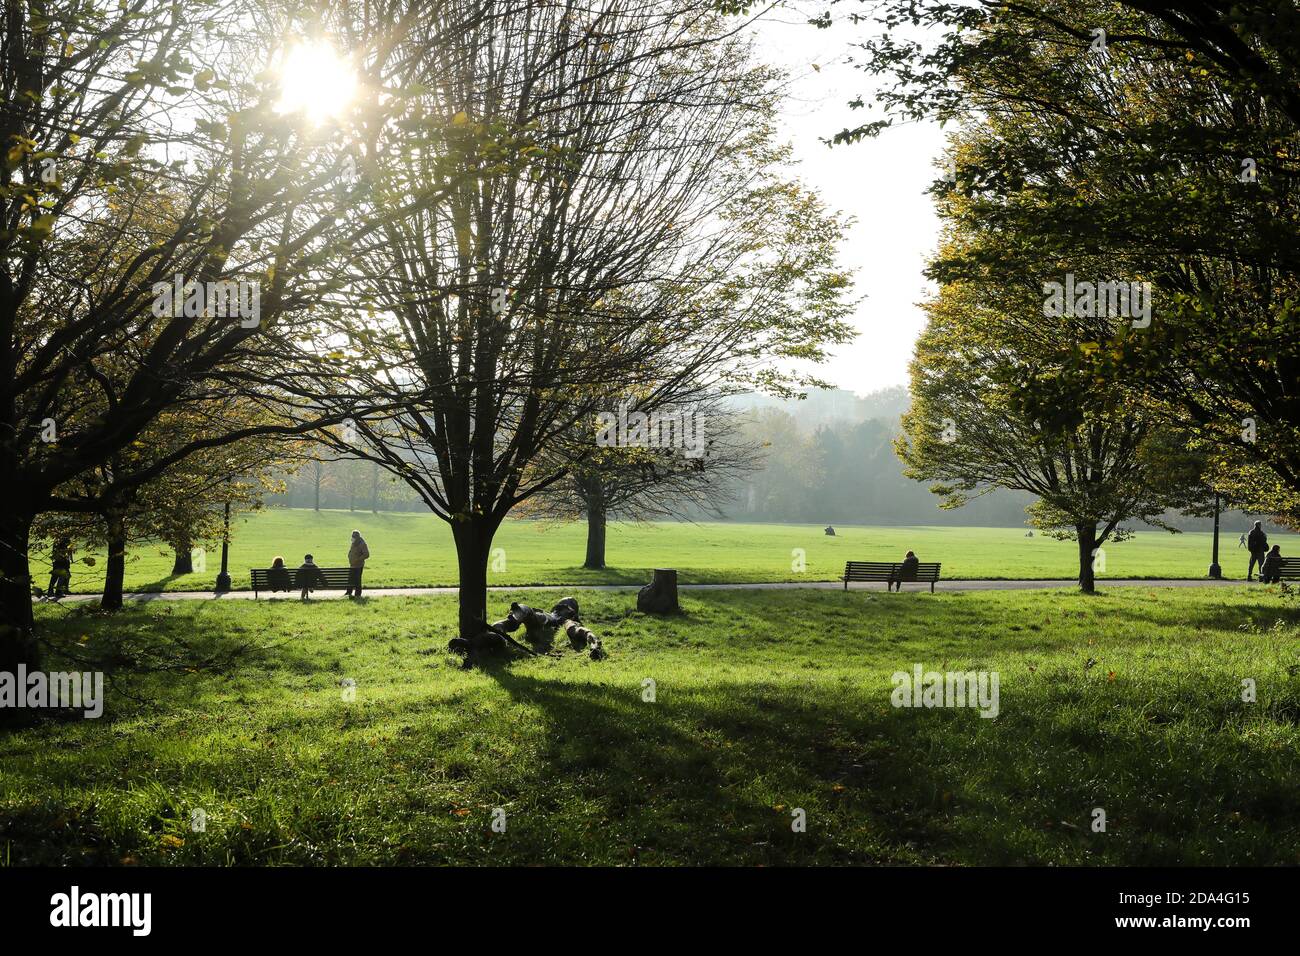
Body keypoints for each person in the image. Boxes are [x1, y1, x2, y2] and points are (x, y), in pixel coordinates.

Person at [346, 530, 369, 598]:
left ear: (357, 537)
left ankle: (357, 594)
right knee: (350, 579)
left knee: (357, 580)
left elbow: (366, 554)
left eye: (354, 537)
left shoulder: (362, 544)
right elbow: (352, 551)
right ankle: (348, 592)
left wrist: (358, 559)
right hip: (352, 565)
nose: (352, 538)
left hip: (358, 565)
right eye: (352, 536)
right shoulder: (354, 543)